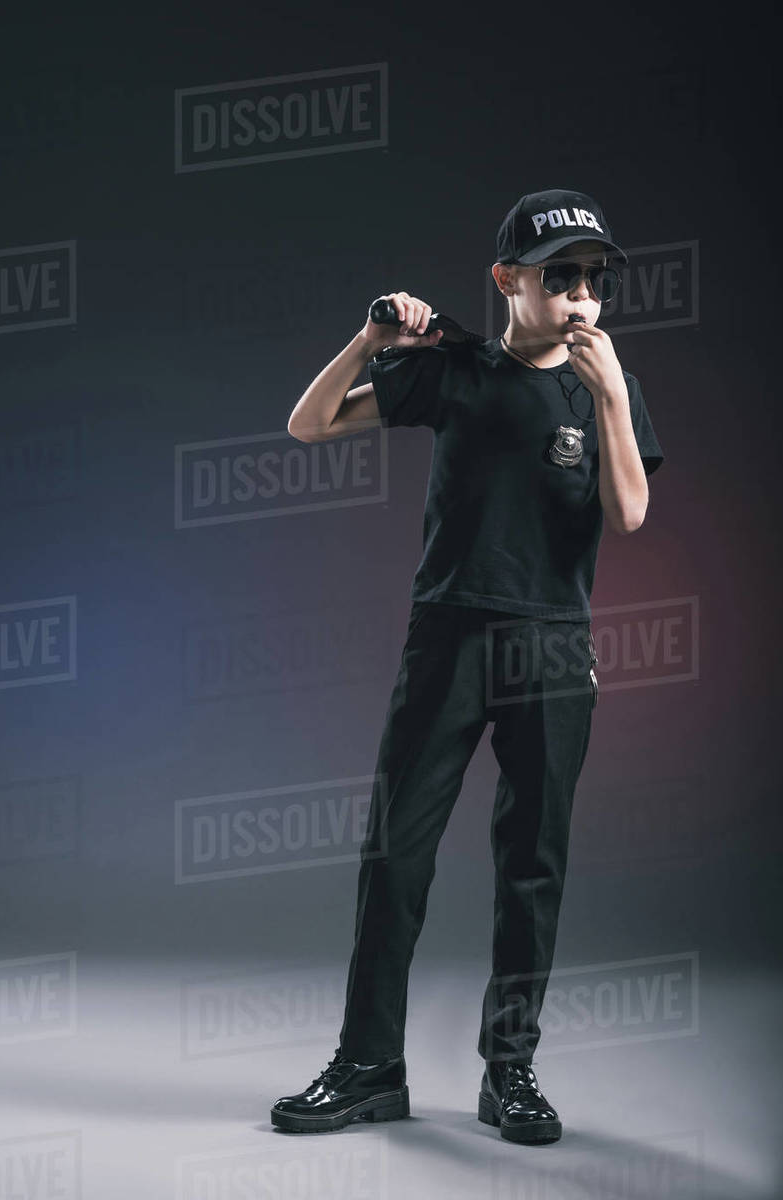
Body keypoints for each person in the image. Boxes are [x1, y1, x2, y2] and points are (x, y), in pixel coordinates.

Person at [271, 188, 665, 1144]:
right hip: (447, 635)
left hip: (552, 648)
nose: (578, 296)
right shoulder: (452, 371)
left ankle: (511, 1072)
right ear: (508, 281)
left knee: (532, 865)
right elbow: (309, 425)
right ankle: (369, 1066)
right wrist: (369, 339)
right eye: (557, 276)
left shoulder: (604, 386)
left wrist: (611, 397)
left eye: (591, 280)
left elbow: (630, 513)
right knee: (396, 851)